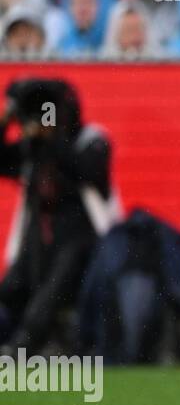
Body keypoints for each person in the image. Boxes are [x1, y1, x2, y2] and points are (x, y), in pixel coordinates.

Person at [0, 78, 120, 352]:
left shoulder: (92, 138)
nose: (45, 117)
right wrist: (8, 115)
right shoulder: (32, 148)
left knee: (56, 280)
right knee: (10, 288)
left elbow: (87, 168)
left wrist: (51, 137)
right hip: (39, 239)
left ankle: (24, 344)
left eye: (50, 110)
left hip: (86, 239)